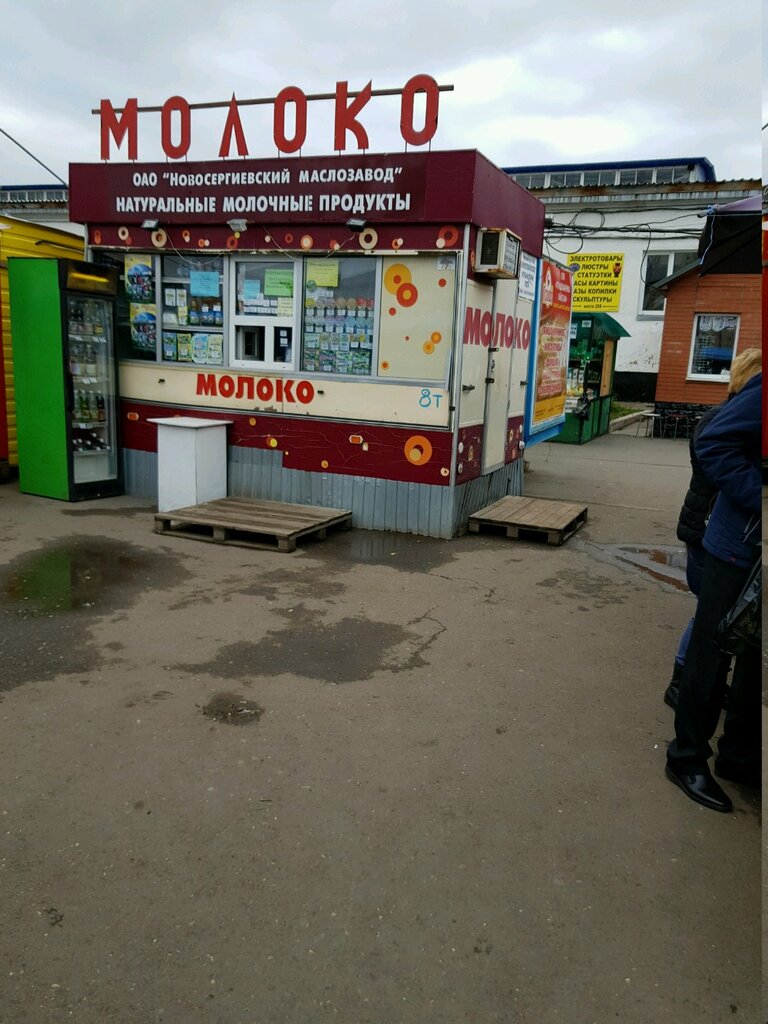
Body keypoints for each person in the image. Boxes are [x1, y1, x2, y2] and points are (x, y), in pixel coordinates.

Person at [665, 367, 762, 812]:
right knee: (712, 649)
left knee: (755, 657)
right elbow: (713, 440)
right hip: (734, 548)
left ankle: (740, 757)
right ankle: (686, 757)